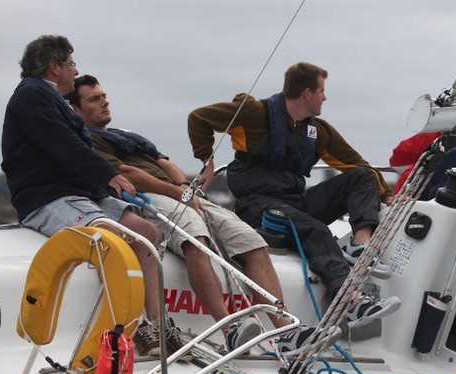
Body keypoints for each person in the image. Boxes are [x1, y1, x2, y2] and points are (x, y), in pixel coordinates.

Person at [67, 75, 322, 355]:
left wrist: (183, 186)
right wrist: (176, 193)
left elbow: (165, 162)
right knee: (196, 238)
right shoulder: (85, 142)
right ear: (77, 111)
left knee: (251, 241)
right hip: (147, 199)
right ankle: (229, 330)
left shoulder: (127, 137)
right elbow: (127, 174)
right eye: (94, 99)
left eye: (103, 96)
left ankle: (284, 331)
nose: (104, 101)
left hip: (182, 195)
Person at [0, 35, 185, 358]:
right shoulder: (31, 96)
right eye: (72, 65)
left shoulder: (50, 98)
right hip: (47, 197)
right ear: (54, 67)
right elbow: (61, 144)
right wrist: (109, 174)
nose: (75, 71)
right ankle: (132, 325)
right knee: (110, 238)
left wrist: (102, 184)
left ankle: (157, 324)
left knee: (146, 232)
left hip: (80, 193)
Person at [187, 62, 400, 329]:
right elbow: (199, 118)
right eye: (322, 91)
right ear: (307, 93)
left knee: (363, 176)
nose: (326, 97)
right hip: (258, 206)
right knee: (317, 230)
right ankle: (351, 302)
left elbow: (355, 163)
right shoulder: (254, 114)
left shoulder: (317, 131)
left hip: (296, 202)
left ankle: (361, 245)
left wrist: (387, 195)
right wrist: (207, 160)